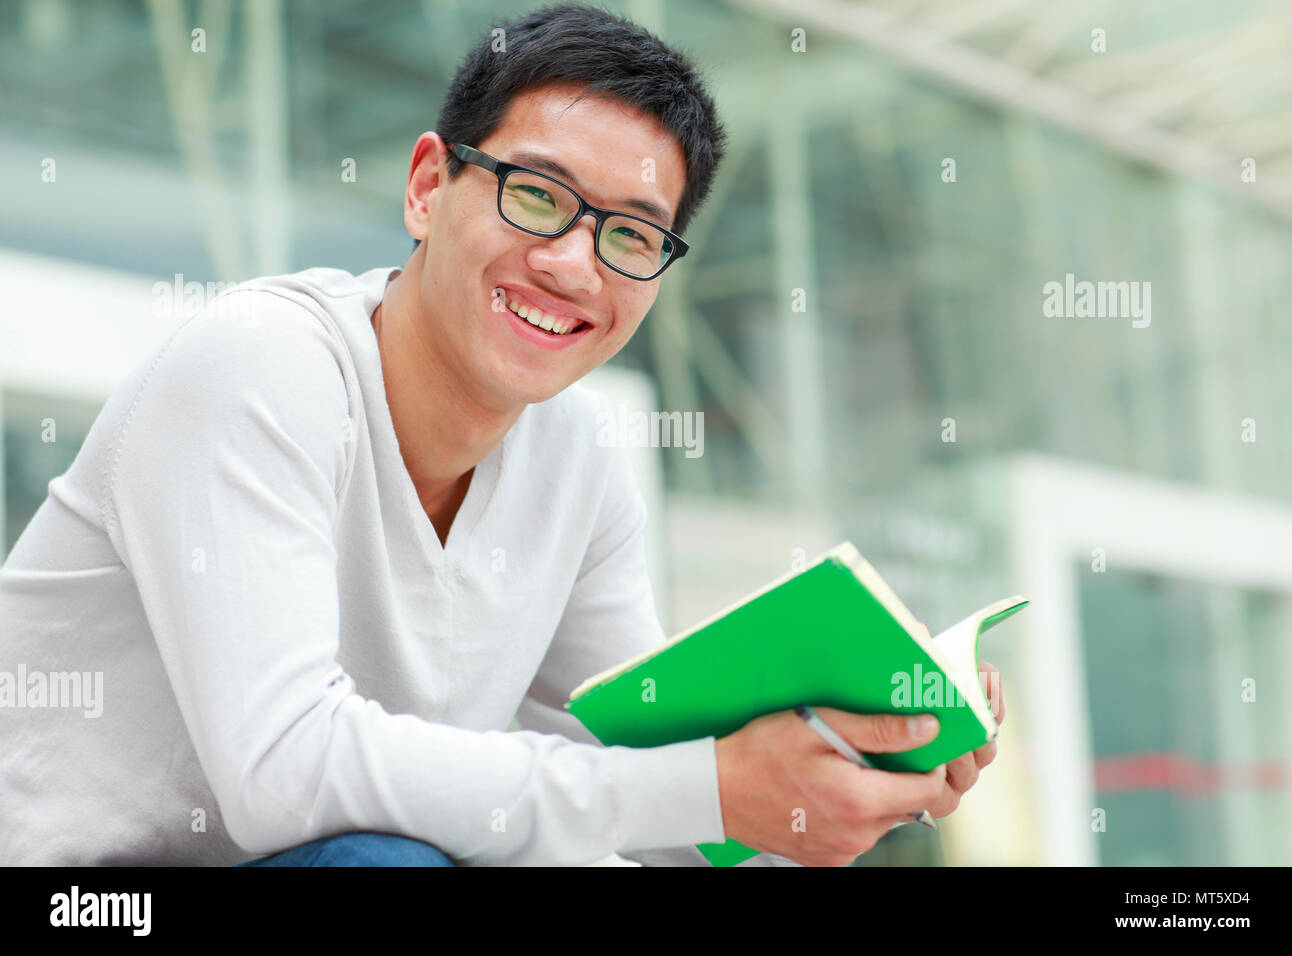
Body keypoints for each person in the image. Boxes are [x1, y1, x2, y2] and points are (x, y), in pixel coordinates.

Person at [0, 2, 1002, 868]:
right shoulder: (263, 363)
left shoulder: (577, 462)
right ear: (428, 187)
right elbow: (286, 771)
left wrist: (855, 762)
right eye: (536, 194)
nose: (573, 263)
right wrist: (706, 786)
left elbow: (652, 786)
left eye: (631, 233)